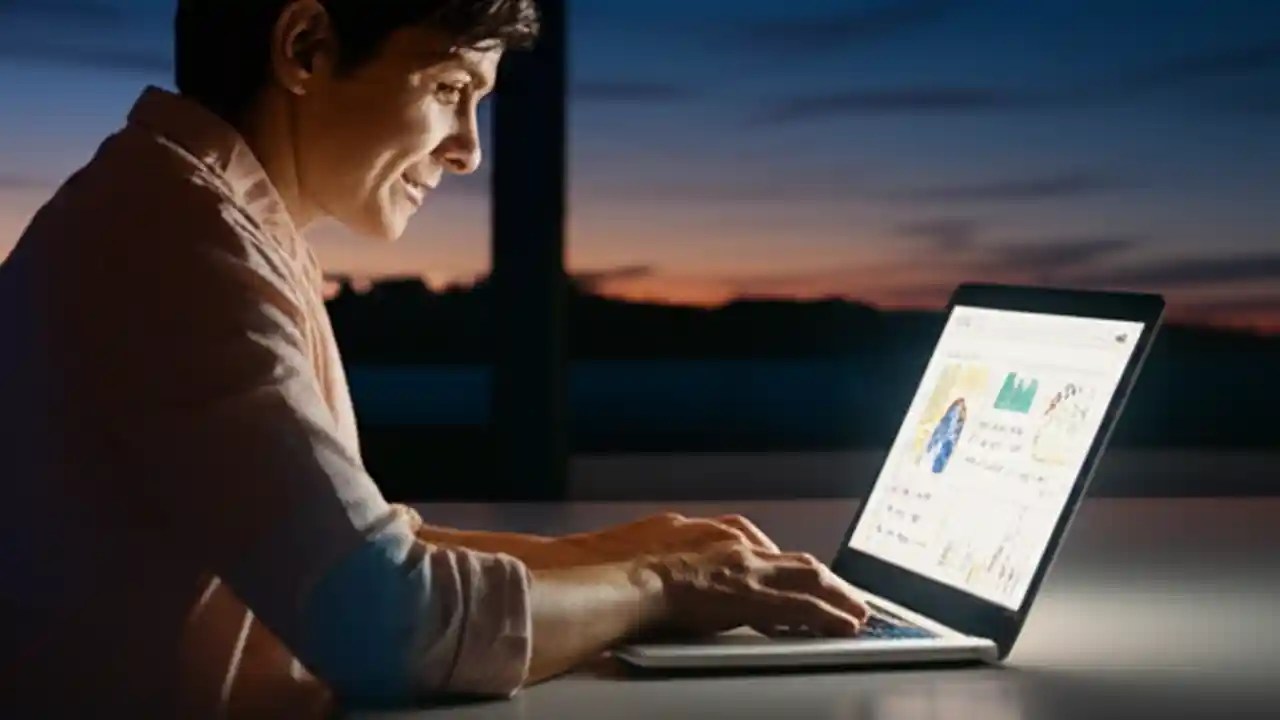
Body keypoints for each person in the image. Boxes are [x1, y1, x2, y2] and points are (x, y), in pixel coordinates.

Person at [0, 1, 870, 716]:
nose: (469, 147)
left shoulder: (193, 211)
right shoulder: (177, 246)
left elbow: (356, 553)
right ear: (305, 50)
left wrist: (617, 553)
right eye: (451, 87)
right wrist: (662, 585)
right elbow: (384, 625)